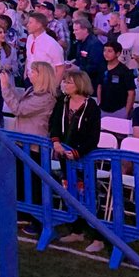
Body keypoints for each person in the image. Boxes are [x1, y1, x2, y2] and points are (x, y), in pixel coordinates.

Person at [51, 70, 104, 253]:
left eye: (69, 82)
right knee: (71, 192)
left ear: (80, 84)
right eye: (65, 81)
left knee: (89, 196)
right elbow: (54, 123)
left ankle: (99, 236)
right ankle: (77, 230)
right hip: (66, 157)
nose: (65, 84)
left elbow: (93, 137)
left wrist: (78, 151)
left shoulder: (91, 107)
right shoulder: (62, 102)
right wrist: (56, 141)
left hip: (85, 158)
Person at [1, 60, 57, 137]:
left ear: (41, 76)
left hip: (32, 143)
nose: (29, 73)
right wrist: (8, 85)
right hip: (22, 137)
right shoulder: (31, 90)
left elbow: (19, 109)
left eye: (33, 72)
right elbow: (19, 102)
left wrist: (5, 88)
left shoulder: (45, 98)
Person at [96, 39, 136, 119]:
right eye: (104, 50)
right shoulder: (101, 67)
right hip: (103, 109)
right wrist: (99, 103)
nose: (106, 53)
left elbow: (131, 93)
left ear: (118, 53)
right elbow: (99, 86)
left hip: (119, 110)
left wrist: (126, 112)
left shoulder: (124, 71)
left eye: (109, 51)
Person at [24, 12, 64, 84]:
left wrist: (54, 87)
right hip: (30, 79)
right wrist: (25, 74)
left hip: (45, 82)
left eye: (30, 23)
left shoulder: (51, 44)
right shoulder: (29, 38)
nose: (27, 25)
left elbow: (60, 67)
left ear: (39, 25)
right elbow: (29, 57)